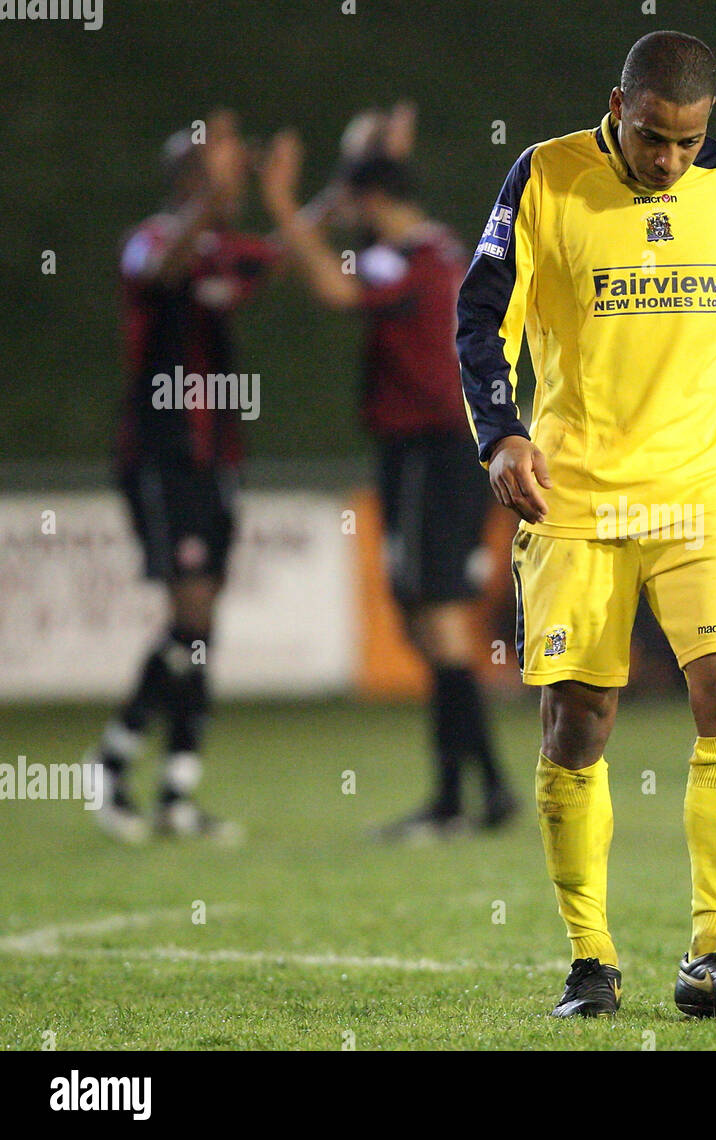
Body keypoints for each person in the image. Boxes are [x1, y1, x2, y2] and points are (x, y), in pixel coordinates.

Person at [457, 30, 716, 1018]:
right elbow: (480, 317)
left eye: (690, 143)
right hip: (574, 493)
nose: (670, 161)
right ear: (617, 106)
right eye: (654, 138)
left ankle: (714, 952)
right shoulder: (544, 177)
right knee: (579, 719)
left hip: (704, 490)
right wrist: (500, 436)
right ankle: (590, 960)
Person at [259, 110, 517, 837]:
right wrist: (371, 160)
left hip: (427, 454)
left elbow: (335, 288)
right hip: (452, 451)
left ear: (370, 203)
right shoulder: (436, 248)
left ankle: (450, 802)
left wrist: (283, 202)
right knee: (429, 620)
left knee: (434, 620)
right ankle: (487, 792)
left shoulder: (405, 260)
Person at [89, 111, 276, 843]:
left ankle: (174, 793)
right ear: (191, 183)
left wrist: (300, 201)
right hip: (162, 455)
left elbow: (277, 259)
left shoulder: (219, 251)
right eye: (215, 175)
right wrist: (215, 186)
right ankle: (109, 761)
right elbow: (162, 267)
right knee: (190, 618)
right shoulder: (151, 240)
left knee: (200, 630)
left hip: (216, 457)